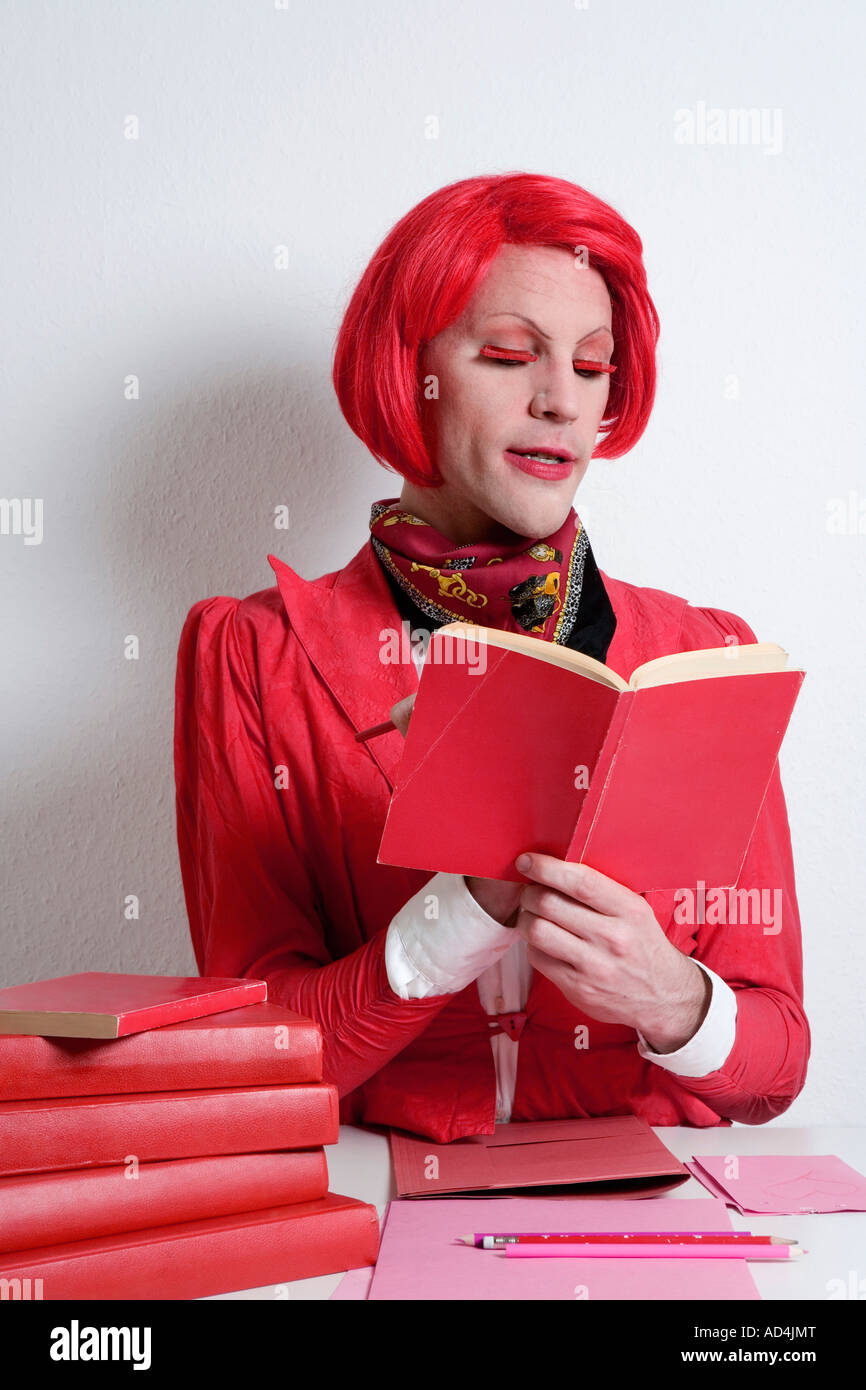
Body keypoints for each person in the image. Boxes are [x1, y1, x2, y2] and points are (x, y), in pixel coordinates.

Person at [173, 172, 809, 1144]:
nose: (560, 402)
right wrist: (460, 914)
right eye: (511, 354)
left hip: (655, 1232)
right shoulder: (252, 656)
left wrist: (674, 1000)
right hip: (384, 1213)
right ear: (406, 368)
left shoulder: (702, 655)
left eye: (592, 367)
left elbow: (774, 1070)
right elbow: (249, 1064)